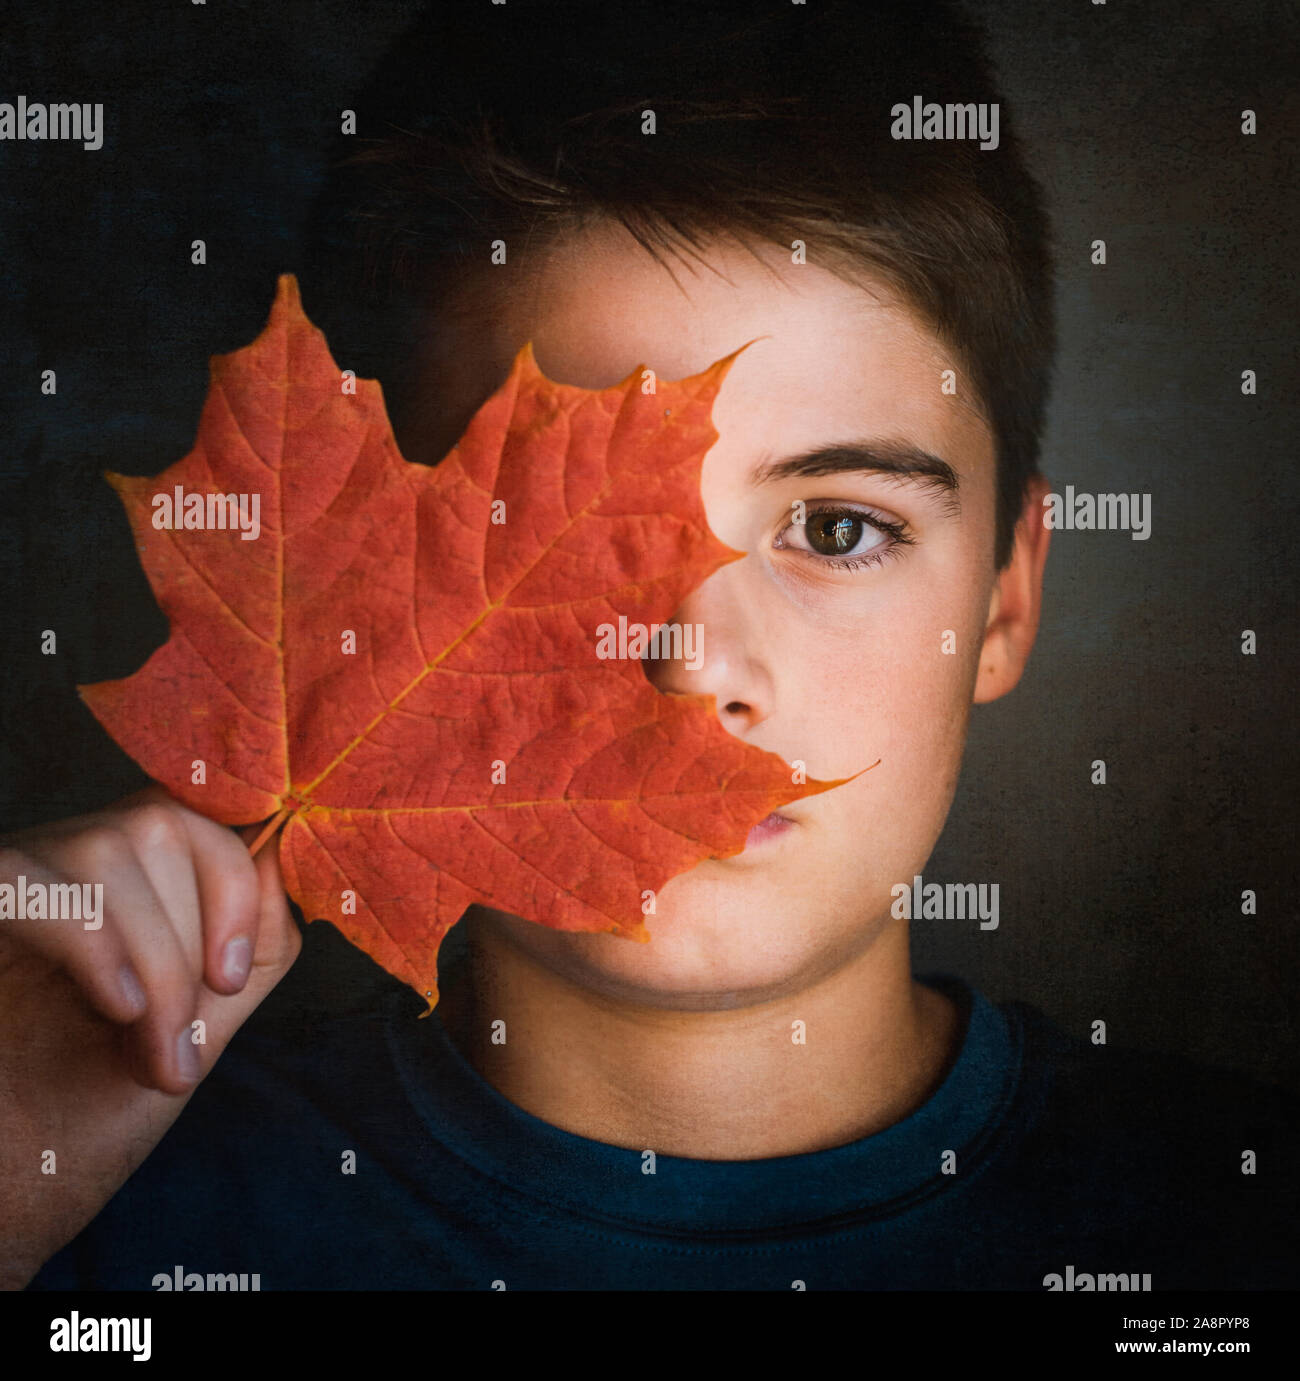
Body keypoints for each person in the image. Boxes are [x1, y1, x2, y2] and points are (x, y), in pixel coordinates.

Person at [7, 0, 1295, 1291]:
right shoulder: (94, 1206)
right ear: (351, 579)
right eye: (560, 549)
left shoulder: (1224, 1221)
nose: (693, 666)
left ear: (1008, 596)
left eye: (839, 528)